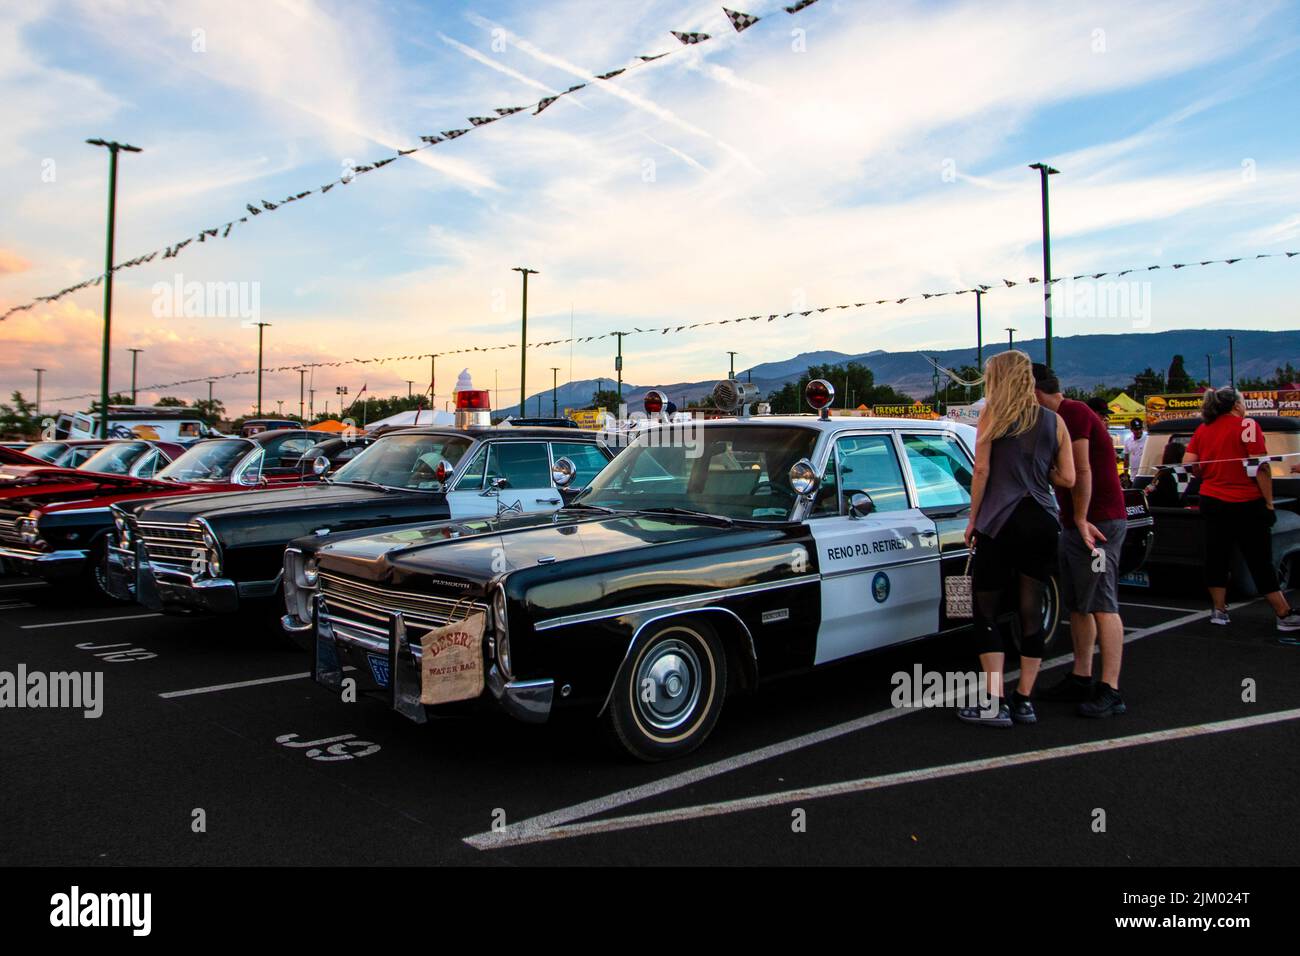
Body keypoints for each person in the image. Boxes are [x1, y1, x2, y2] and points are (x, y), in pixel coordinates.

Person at [960, 351, 1075, 727]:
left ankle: (995, 700)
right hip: (1042, 519)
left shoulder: (993, 414)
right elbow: (1068, 479)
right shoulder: (1054, 421)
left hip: (1001, 519)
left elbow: (981, 470)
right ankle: (1025, 698)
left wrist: (973, 519)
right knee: (1032, 610)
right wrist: (1040, 472)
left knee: (985, 609)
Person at [1033, 364, 1130, 717]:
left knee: (1103, 602)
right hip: (1080, 523)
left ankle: (1111, 688)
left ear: (1035, 391)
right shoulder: (1063, 415)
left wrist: (1080, 517)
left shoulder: (1072, 414)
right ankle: (1082, 674)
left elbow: (1082, 469)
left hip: (1099, 523)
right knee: (1078, 603)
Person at [1183, 386, 1300, 634]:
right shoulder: (1247, 426)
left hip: (1212, 500)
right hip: (1246, 501)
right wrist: (1268, 503)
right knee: (1260, 559)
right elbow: (1260, 467)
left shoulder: (1203, 429)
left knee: (1217, 557)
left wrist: (1208, 473)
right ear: (1236, 405)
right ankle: (1283, 612)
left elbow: (1189, 464)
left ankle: (1219, 610)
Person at [1144, 441, 1187, 507]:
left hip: (1164, 508)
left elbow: (1149, 491)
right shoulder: (1185, 471)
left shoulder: (1164, 472)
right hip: (1181, 507)